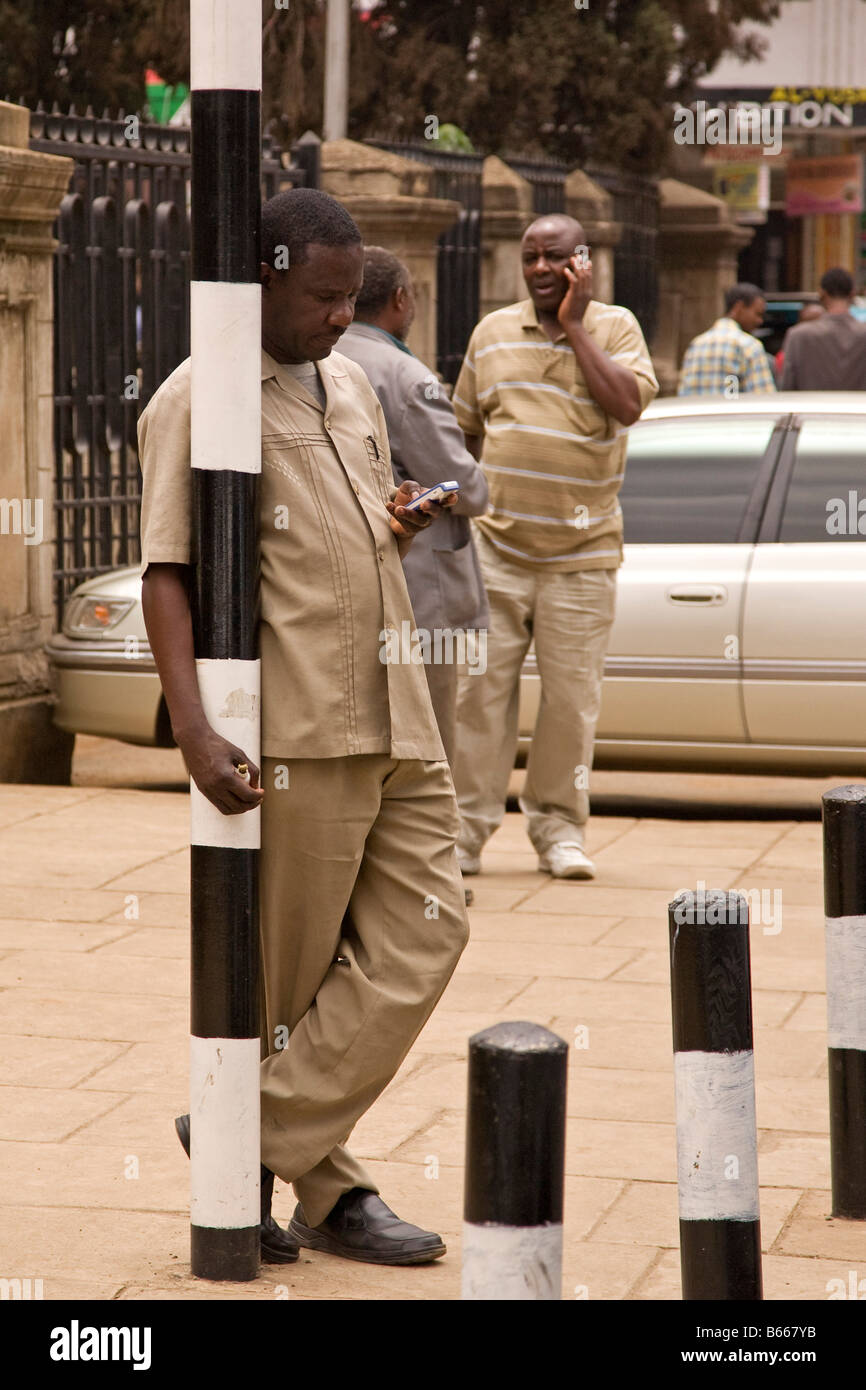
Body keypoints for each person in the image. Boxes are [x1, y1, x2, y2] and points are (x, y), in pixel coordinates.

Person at [138, 188, 468, 1268]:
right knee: (293, 980)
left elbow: (352, 532)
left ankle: (250, 1135)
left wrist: (401, 522)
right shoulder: (203, 394)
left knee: (429, 927)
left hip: (397, 706)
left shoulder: (352, 387)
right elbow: (169, 571)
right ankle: (329, 1191)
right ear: (267, 272)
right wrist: (191, 728)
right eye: (323, 296)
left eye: (349, 297)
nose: (341, 315)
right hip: (304, 725)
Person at [450, 214, 658, 881]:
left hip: (583, 557)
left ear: (583, 263)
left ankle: (559, 830)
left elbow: (626, 404)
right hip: (496, 553)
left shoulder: (617, 328)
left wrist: (575, 325)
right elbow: (463, 434)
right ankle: (464, 834)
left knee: (571, 705)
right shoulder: (491, 333)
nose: (541, 268)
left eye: (556, 256)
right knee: (478, 701)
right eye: (531, 257)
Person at [336, 245, 489, 767]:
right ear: (401, 299)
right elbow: (464, 486)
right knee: (429, 746)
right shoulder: (406, 376)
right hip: (420, 594)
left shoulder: (316, 359)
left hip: (340, 586)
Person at [678, 283, 776, 395]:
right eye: (757, 314)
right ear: (739, 307)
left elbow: (683, 395)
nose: (760, 321)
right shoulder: (749, 346)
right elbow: (762, 399)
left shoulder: (696, 344)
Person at [781, 267, 866, 390]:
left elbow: (787, 385)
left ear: (822, 294)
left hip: (810, 408)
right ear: (852, 294)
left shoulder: (799, 335)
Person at [775, 302, 823, 379]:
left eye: (817, 323)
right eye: (807, 323)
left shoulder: (831, 354)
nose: (811, 329)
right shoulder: (784, 356)